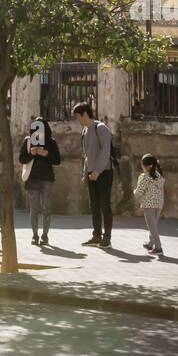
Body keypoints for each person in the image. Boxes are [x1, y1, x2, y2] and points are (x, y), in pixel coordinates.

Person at [73, 102, 114, 248]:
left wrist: (98, 171)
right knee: (94, 205)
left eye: (78, 116)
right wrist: (86, 173)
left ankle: (107, 237)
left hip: (104, 172)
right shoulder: (84, 131)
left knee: (104, 204)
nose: (78, 120)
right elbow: (87, 155)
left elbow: (105, 152)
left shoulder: (100, 128)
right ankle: (96, 236)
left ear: (85, 114)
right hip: (92, 173)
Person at [18, 116, 61, 246]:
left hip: (47, 179)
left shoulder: (51, 142)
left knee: (46, 208)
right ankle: (35, 235)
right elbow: (22, 159)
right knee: (34, 209)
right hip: (32, 180)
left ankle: (45, 235)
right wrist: (31, 153)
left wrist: (46, 154)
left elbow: (57, 160)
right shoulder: (28, 141)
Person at [135, 153, 166, 255]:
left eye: (142, 164)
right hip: (159, 204)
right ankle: (150, 243)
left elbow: (139, 192)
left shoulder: (145, 177)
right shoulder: (159, 176)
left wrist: (134, 191)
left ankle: (158, 248)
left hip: (149, 205)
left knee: (152, 227)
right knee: (154, 226)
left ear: (147, 166)